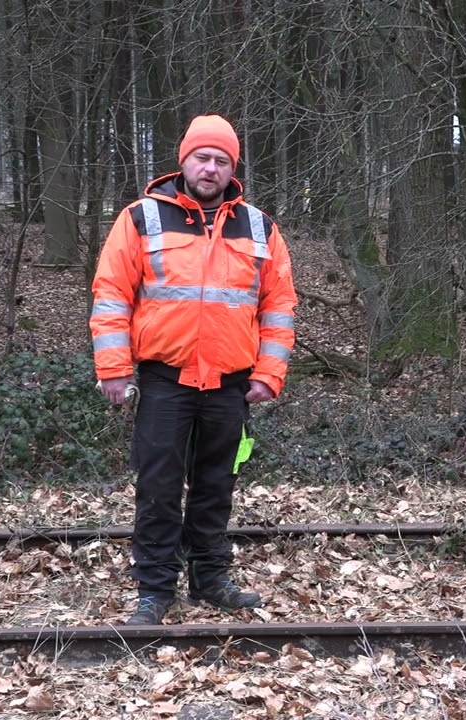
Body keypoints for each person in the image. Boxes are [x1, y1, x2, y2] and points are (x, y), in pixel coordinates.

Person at [90, 114, 297, 625]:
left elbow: (278, 306)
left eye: (221, 160)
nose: (210, 168)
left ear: (233, 169)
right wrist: (114, 368)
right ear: (183, 160)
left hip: (230, 383)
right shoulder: (142, 218)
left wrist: (268, 374)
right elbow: (111, 295)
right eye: (202, 157)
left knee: (215, 484)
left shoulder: (259, 225)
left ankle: (209, 578)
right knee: (158, 486)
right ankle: (155, 590)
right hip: (165, 379)